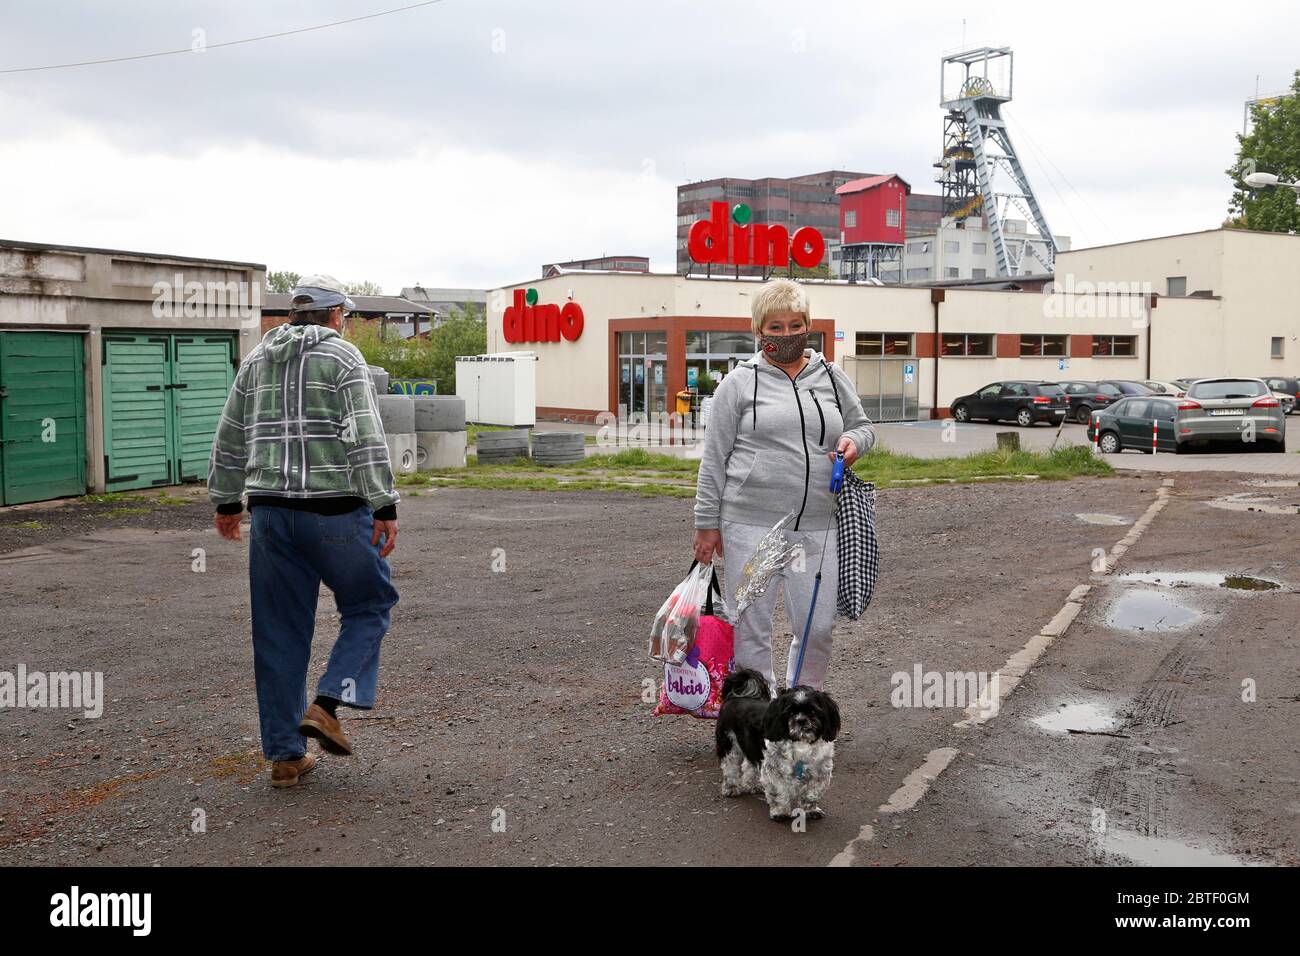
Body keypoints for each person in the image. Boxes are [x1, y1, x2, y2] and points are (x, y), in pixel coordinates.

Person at [208, 275, 400, 788]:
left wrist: (227, 499)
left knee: (278, 631)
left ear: (295, 313)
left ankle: (285, 758)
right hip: (334, 513)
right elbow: (363, 433)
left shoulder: (256, 360)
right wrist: (383, 502)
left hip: (270, 516)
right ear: (337, 314)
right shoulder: (342, 358)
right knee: (369, 605)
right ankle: (328, 703)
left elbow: (229, 432)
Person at [692, 279, 874, 691]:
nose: (787, 334)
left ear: (808, 325)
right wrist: (706, 524)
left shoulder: (831, 376)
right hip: (750, 525)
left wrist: (853, 443)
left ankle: (801, 707)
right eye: (776, 327)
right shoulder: (738, 384)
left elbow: (863, 426)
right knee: (750, 627)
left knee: (817, 626)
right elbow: (714, 458)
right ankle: (756, 715)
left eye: (795, 325)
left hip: (818, 525)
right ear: (759, 331)